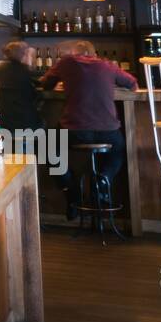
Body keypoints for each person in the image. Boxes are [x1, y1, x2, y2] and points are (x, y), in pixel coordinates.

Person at [39, 40, 137, 218]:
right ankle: (101, 181)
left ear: (74, 53)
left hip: (74, 130)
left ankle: (71, 190)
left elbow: (46, 84)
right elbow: (132, 84)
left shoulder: (66, 63)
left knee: (49, 149)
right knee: (118, 152)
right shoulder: (108, 65)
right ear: (94, 54)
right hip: (108, 131)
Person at [0, 41, 43, 148]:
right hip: (27, 123)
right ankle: (31, 158)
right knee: (44, 124)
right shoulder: (26, 70)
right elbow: (40, 85)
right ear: (22, 54)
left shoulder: (0, 68)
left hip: (6, 123)